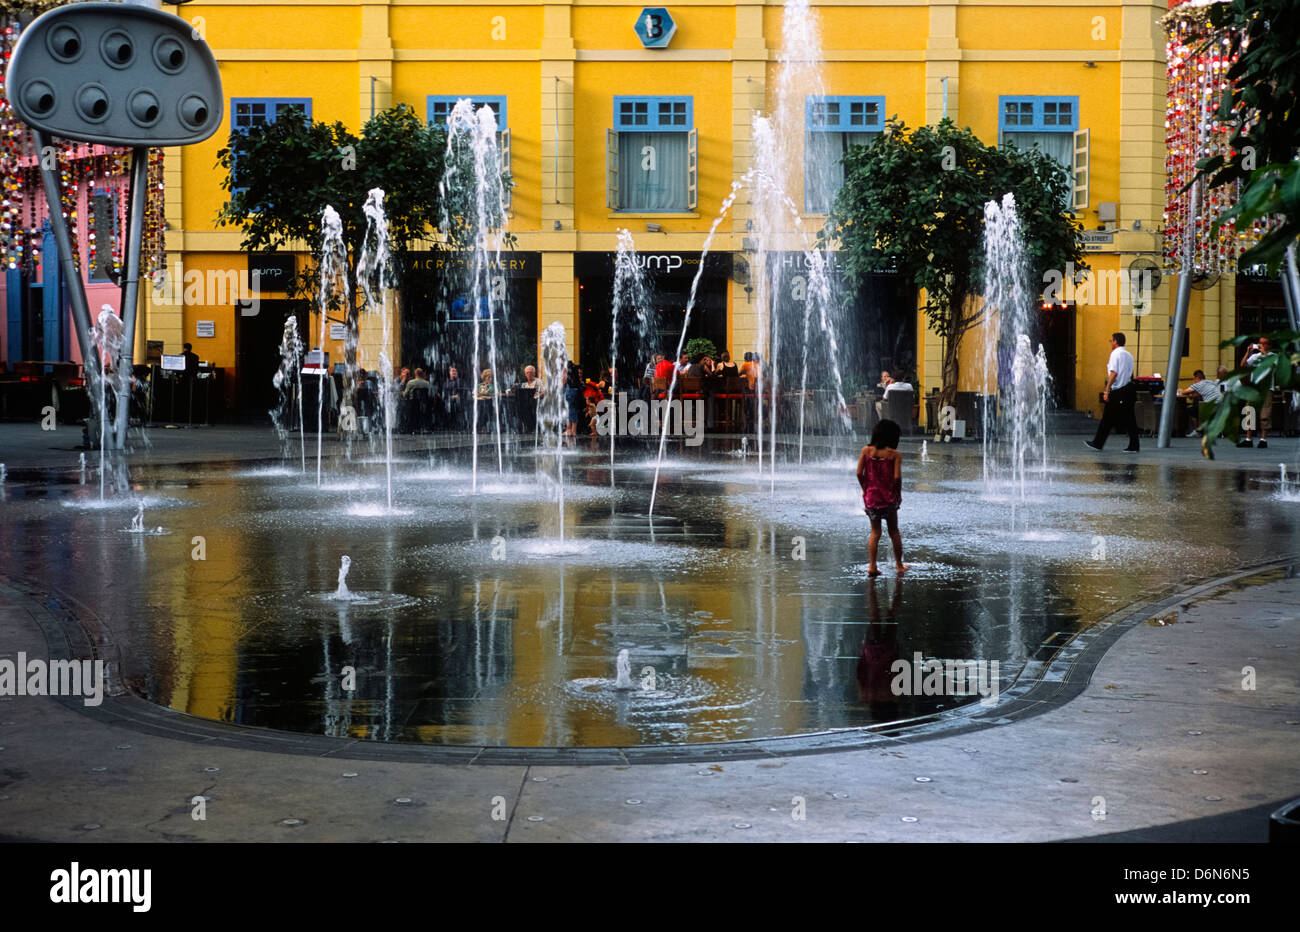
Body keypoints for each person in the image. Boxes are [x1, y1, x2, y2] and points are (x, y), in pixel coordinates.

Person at [856, 418, 908, 578]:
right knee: (894, 531)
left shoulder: (866, 451)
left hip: (872, 498)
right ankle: (899, 565)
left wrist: (865, 488)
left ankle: (872, 566)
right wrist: (898, 494)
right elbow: (897, 478)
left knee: (875, 532)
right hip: (888, 498)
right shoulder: (894, 454)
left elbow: (859, 473)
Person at [1084, 331, 1139, 453]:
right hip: (1128, 389)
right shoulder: (1129, 355)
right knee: (1130, 418)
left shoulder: (1115, 354)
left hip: (1118, 390)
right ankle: (1134, 445)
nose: (1111, 343)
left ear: (1115, 341)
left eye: (1111, 340)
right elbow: (1131, 373)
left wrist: (1106, 390)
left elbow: (1114, 373)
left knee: (1107, 418)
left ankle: (1098, 443)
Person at [1239, 336, 1277, 449]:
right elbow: (1243, 365)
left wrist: (1264, 354)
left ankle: (1263, 439)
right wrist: (1248, 352)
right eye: (1260, 343)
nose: (1261, 345)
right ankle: (1248, 438)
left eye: (1264, 343)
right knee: (1250, 412)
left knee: (1265, 414)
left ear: (1269, 346)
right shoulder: (1255, 356)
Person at [1177, 368, 1221, 436]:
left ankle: (1196, 431)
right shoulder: (1210, 382)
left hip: (1210, 406)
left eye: (1194, 379)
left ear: (1197, 378)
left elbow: (1184, 392)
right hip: (1220, 405)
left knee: (1192, 410)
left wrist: (1181, 391)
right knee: (1196, 407)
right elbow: (1199, 394)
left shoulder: (1198, 384)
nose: (1194, 381)